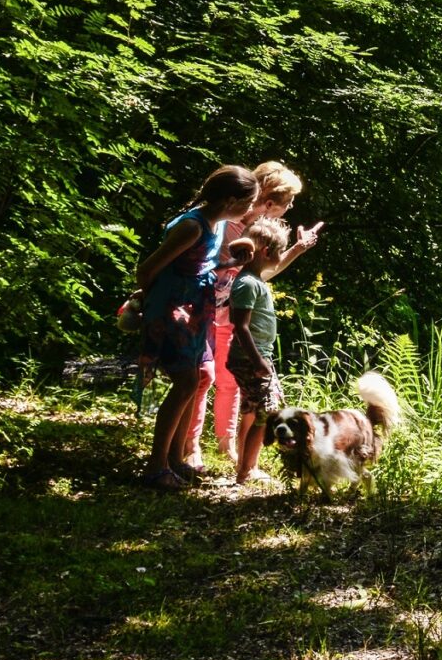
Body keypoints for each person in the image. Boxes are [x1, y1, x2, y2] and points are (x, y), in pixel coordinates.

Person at [181, 161, 323, 468]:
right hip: (204, 309)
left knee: (230, 382)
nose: (291, 208)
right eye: (289, 202)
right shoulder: (227, 222)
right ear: (270, 203)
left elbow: (262, 273)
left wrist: (297, 248)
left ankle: (227, 445)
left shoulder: (258, 231)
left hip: (231, 312)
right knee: (203, 378)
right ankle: (190, 447)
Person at [136, 165, 260, 490]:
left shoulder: (215, 224)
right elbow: (147, 269)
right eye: (248, 203)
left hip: (195, 310)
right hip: (173, 311)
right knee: (186, 380)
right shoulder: (192, 226)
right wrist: (151, 308)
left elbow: (197, 265)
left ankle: (175, 459)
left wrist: (231, 265)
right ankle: (155, 467)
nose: (250, 211)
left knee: (200, 376)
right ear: (231, 200)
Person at [225, 217, 291, 483]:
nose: (280, 257)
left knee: (255, 411)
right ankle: (246, 471)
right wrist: (258, 361)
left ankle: (245, 465)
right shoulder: (248, 283)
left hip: (255, 358)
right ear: (267, 252)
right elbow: (240, 326)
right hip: (250, 359)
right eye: (279, 252)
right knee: (265, 414)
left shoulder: (254, 280)